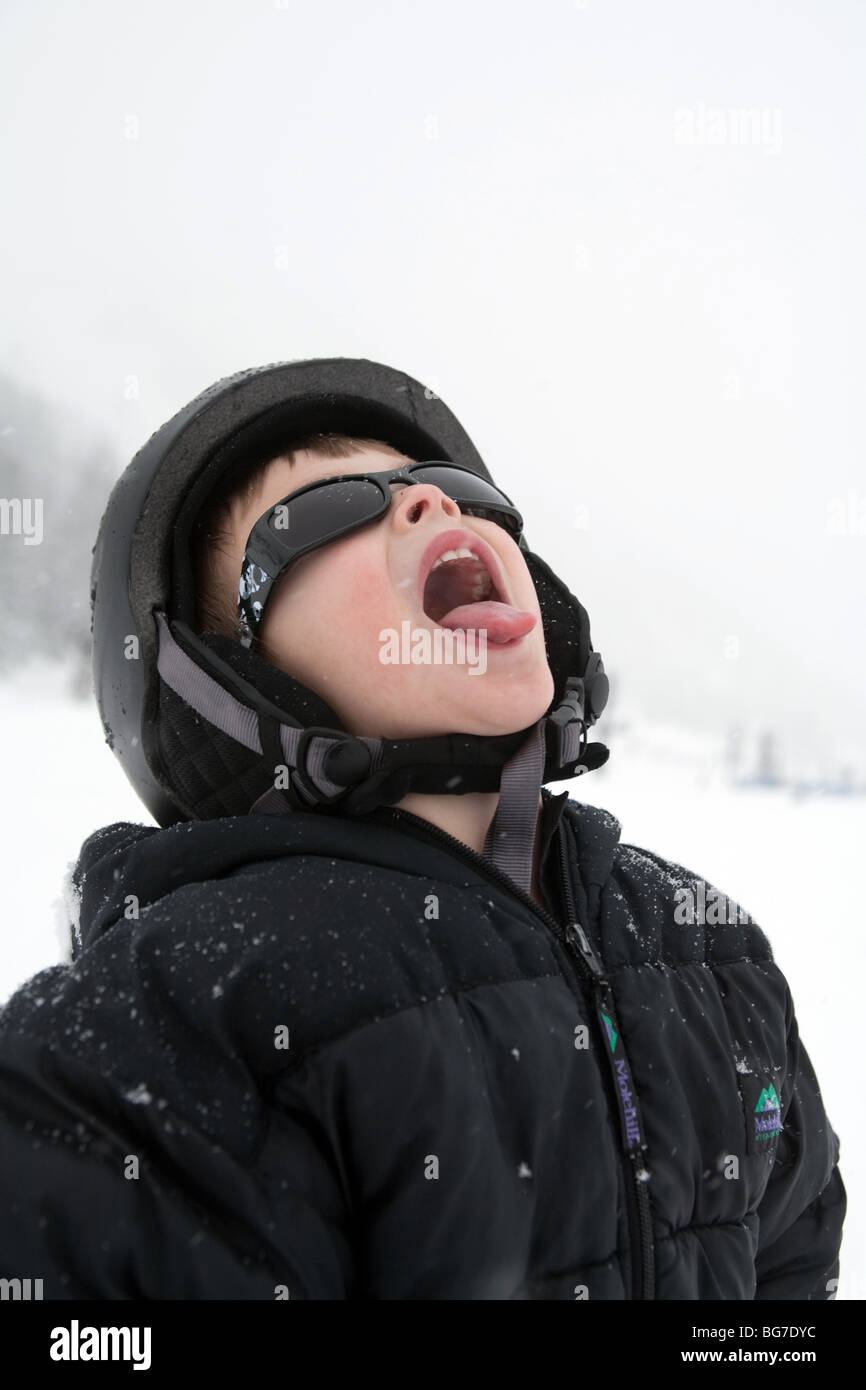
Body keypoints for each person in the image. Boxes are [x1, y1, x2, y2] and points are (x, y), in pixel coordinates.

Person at [0, 357, 845, 1299]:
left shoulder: (708, 953)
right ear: (228, 684)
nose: (429, 510)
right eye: (319, 513)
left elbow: (790, 1276)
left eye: (455, 490)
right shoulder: (170, 1020)